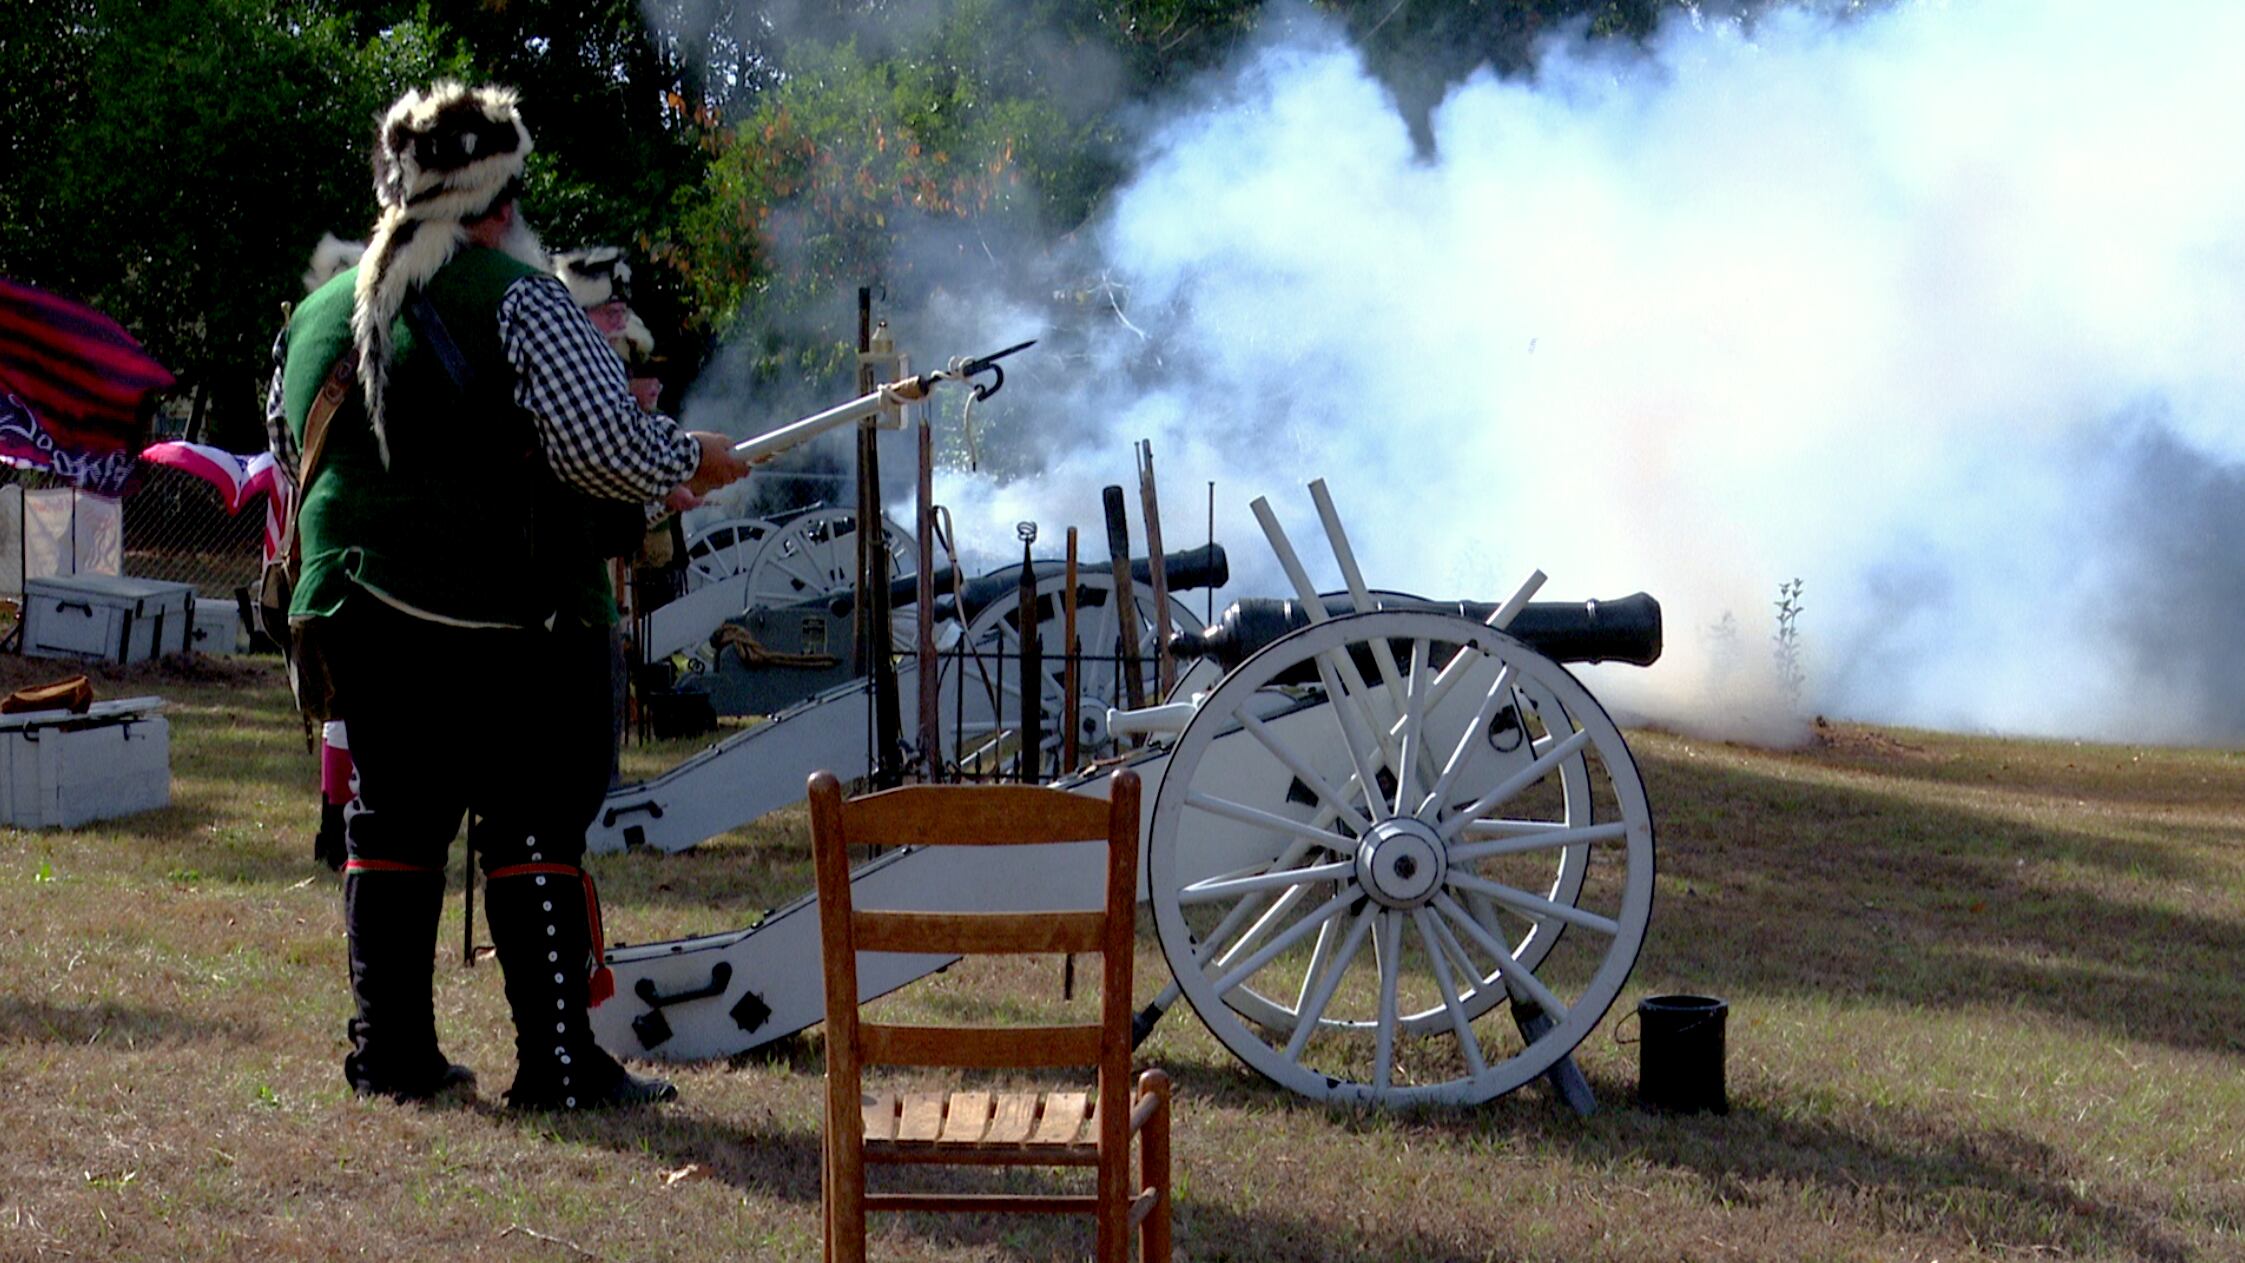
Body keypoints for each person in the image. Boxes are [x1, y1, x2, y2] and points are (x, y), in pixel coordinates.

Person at [266, 82, 750, 1108]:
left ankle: (389, 1058)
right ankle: (561, 1066)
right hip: (514, 618)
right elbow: (602, 448)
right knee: (534, 823)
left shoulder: (314, 315)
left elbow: (291, 454)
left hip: (354, 611)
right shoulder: (521, 296)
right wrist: (685, 455)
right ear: (497, 200)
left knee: (392, 820)